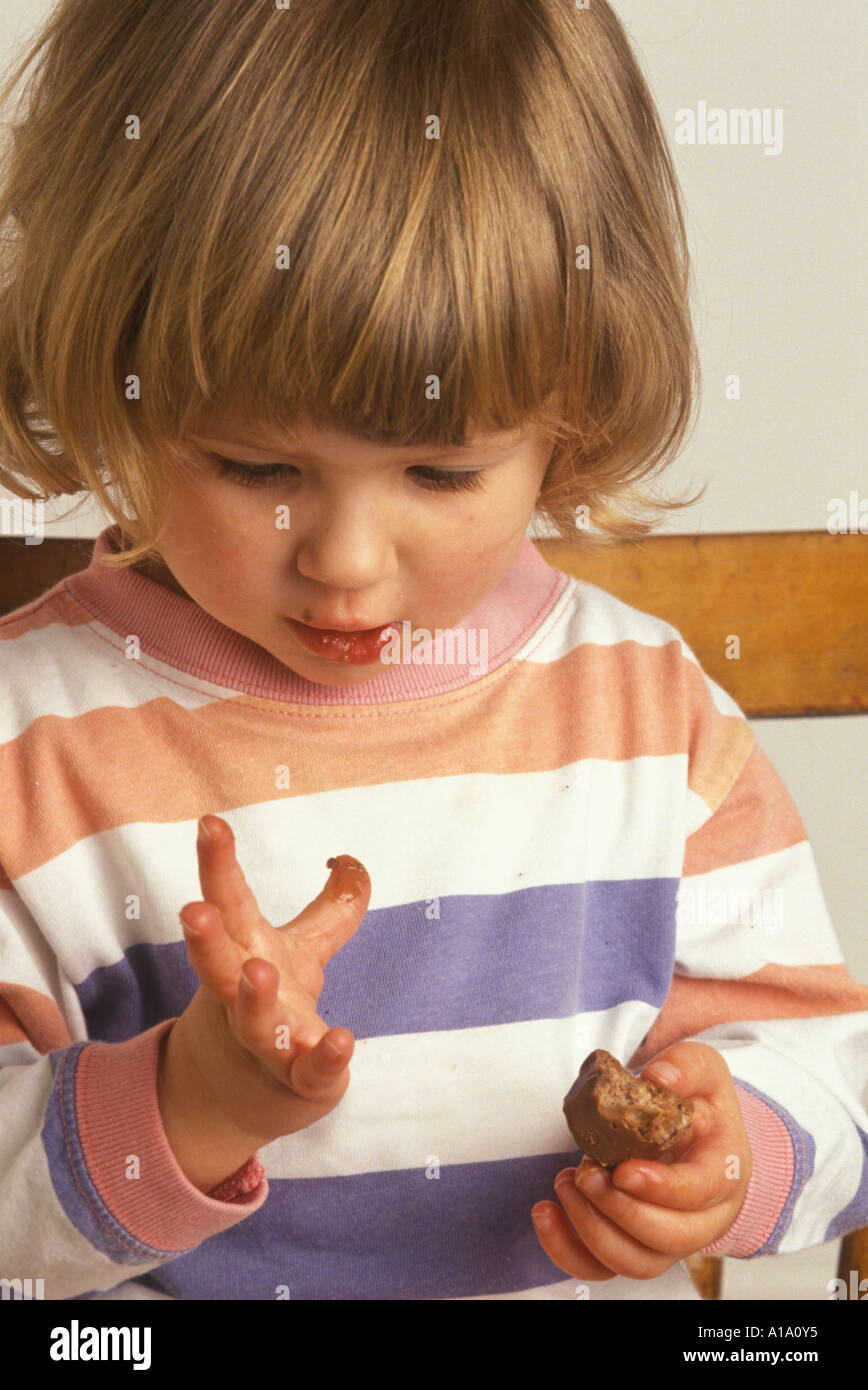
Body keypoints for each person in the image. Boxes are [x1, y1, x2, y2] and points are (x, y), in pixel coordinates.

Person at [0, 0, 865, 1302]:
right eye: (255, 464)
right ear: (111, 371)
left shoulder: (646, 716)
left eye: (442, 468)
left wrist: (738, 1154)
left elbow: (831, 1075)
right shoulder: (31, 746)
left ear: (567, 415)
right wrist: (187, 1103)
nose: (346, 557)